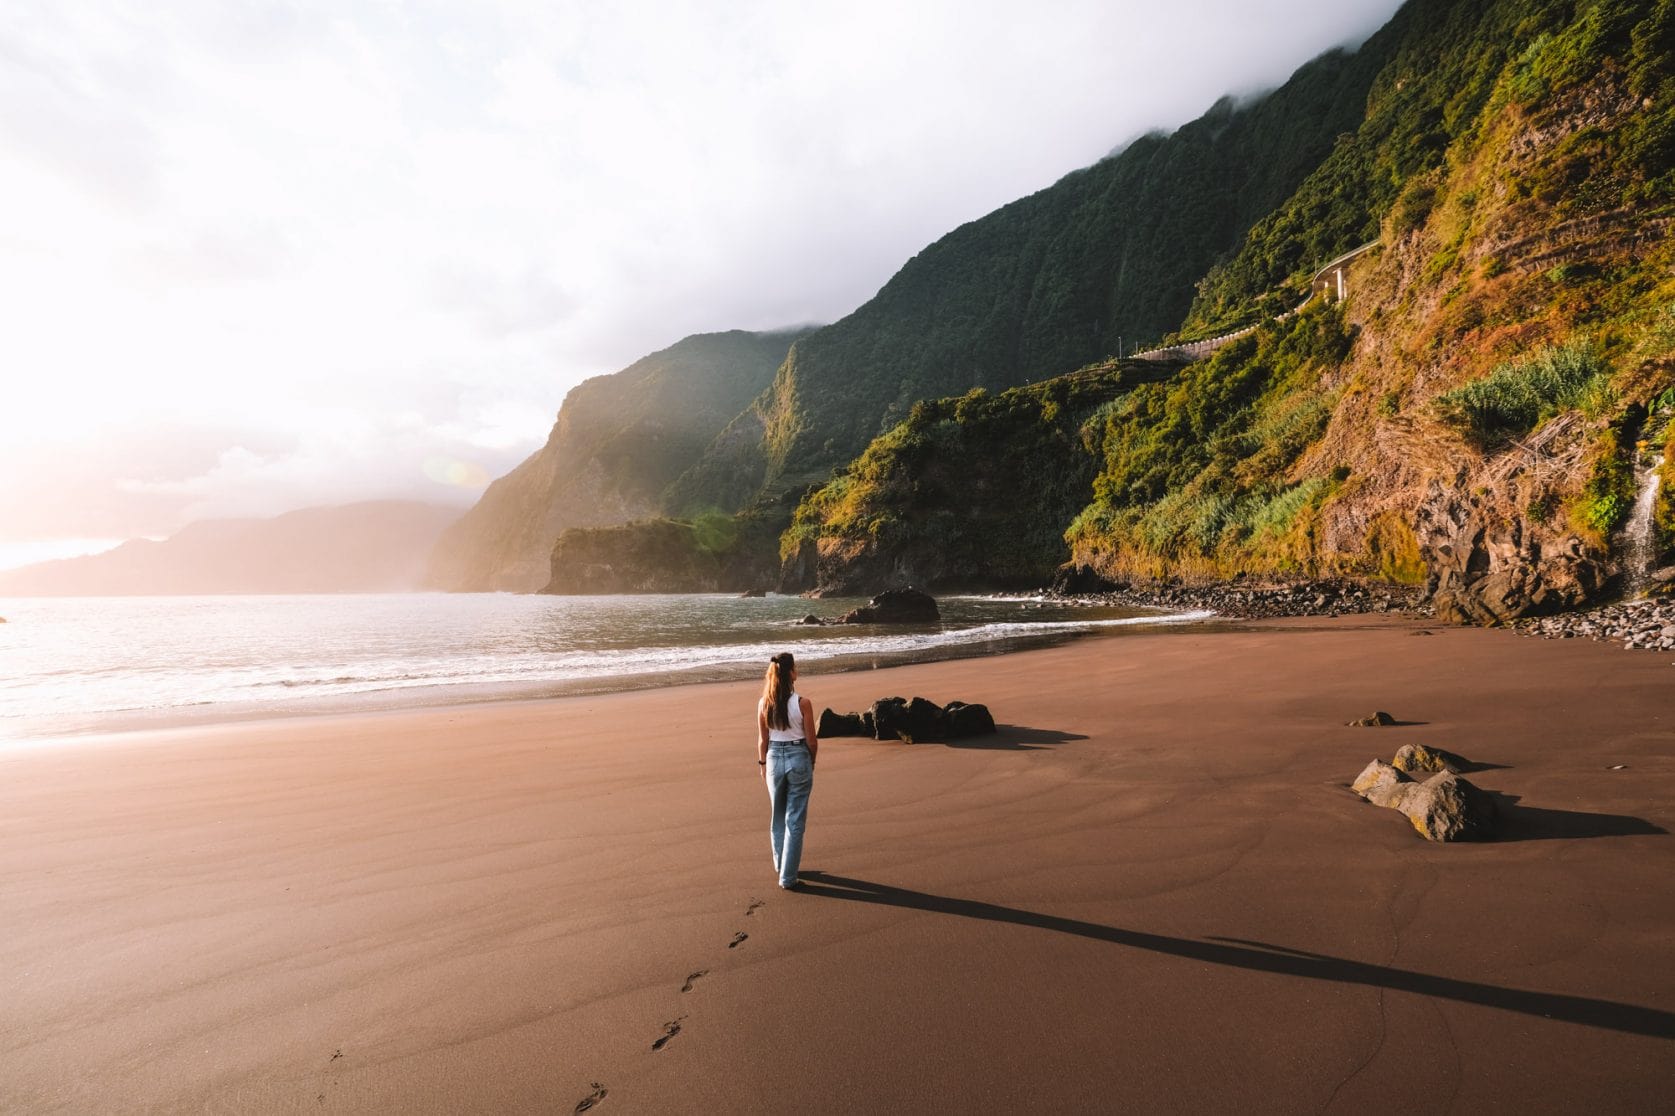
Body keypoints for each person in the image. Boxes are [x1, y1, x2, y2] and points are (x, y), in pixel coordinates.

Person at [758, 651, 818, 890]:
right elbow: (812, 741)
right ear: (791, 673)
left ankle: (781, 865)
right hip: (798, 757)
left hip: (773, 758)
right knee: (795, 820)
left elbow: (762, 740)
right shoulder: (803, 703)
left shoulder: (764, 703)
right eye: (796, 667)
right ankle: (788, 876)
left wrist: (762, 764)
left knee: (778, 816)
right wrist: (811, 762)